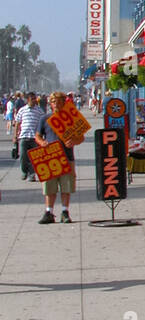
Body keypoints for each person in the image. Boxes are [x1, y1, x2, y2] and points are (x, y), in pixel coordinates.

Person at [33, 91, 77, 224]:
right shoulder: (44, 119)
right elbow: (37, 136)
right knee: (49, 187)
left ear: (64, 103)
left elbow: (80, 137)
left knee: (66, 186)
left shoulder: (70, 118)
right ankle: (49, 212)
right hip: (51, 157)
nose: (56, 104)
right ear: (50, 104)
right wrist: (42, 143)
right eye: (54, 102)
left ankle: (65, 212)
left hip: (67, 156)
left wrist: (74, 141)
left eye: (59, 102)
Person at [15, 92, 42, 181]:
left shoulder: (39, 110)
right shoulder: (22, 110)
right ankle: (24, 172)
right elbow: (17, 123)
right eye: (32, 99)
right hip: (24, 136)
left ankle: (32, 174)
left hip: (34, 138)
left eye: (35, 98)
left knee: (34, 158)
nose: (35, 100)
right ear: (28, 100)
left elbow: (42, 124)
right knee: (23, 156)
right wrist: (15, 136)